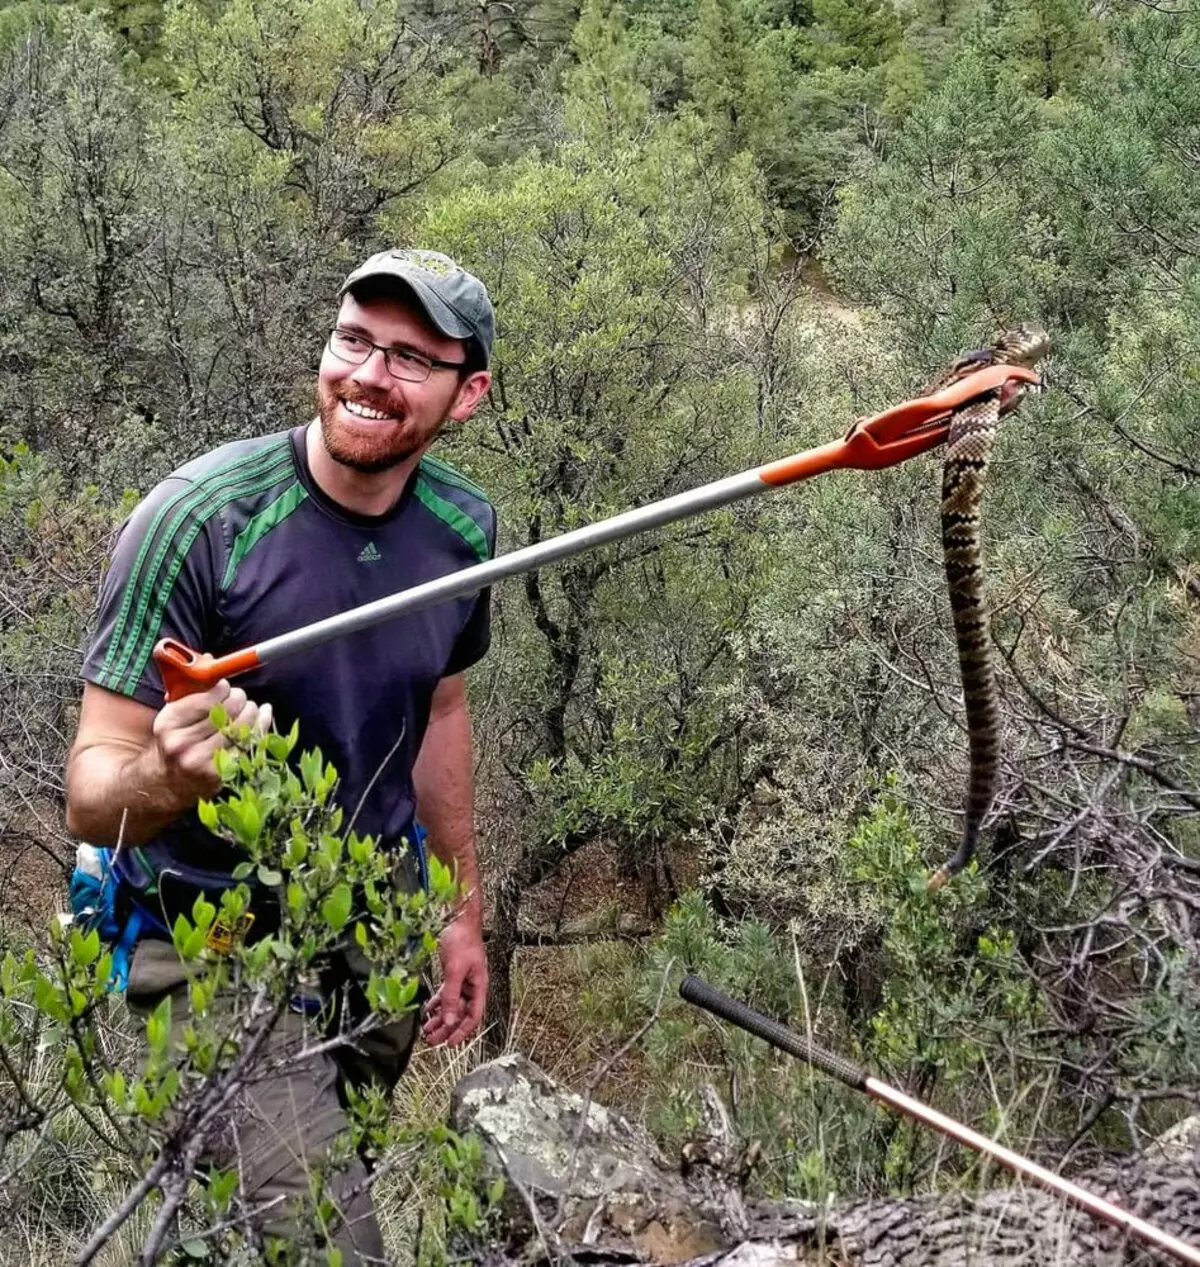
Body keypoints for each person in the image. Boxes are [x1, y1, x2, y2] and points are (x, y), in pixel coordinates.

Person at [64, 248, 497, 1261]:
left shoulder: (464, 530)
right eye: (354, 339)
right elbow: (91, 795)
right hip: (203, 937)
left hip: (369, 927)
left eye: (409, 358)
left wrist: (458, 911)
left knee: (278, 1205)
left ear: (466, 394)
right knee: (323, 1237)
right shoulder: (198, 520)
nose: (367, 375)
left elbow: (441, 713)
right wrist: (169, 776)